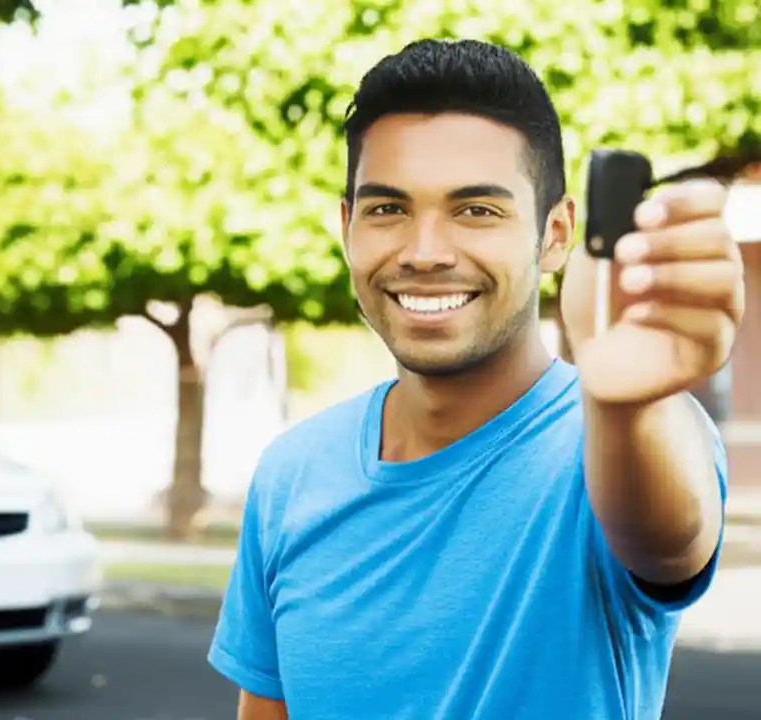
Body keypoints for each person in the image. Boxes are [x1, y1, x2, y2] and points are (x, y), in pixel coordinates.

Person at [207, 38, 743, 720]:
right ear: (346, 228)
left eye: (476, 210)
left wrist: (624, 407)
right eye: (387, 209)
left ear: (555, 234)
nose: (425, 252)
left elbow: (665, 538)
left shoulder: (621, 439)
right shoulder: (290, 474)